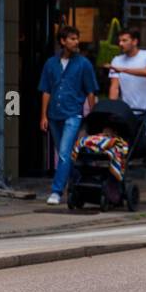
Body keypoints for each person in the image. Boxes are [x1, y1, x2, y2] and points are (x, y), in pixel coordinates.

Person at [39, 26, 100, 205]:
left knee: (64, 153)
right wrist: (43, 116)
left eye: (77, 38)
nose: (76, 42)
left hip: (73, 114)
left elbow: (90, 91)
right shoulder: (50, 64)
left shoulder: (84, 64)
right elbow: (46, 91)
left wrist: (93, 116)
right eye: (72, 39)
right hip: (54, 114)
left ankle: (56, 191)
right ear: (63, 41)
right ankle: (80, 178)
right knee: (63, 153)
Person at [108, 27, 146, 205]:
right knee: (122, 150)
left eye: (125, 40)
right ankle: (117, 189)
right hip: (128, 113)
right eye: (120, 40)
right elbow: (114, 87)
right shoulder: (117, 60)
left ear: (135, 41)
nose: (121, 44)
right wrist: (113, 108)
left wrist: (123, 70)